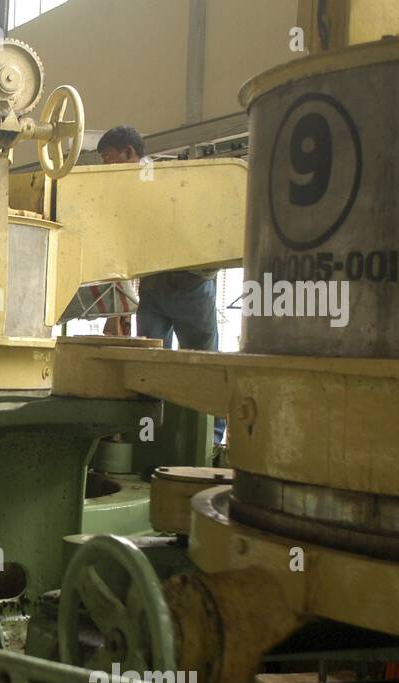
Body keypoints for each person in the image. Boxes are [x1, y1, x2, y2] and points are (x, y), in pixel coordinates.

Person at [97, 124, 226, 446]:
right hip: (153, 284)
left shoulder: (170, 179)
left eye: (109, 158)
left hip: (189, 282)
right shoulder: (123, 193)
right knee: (149, 366)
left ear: (130, 152)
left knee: (203, 363)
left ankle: (209, 441)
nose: (105, 167)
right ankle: (150, 438)